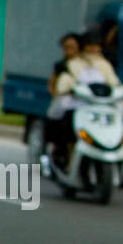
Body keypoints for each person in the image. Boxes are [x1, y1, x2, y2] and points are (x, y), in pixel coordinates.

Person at [50, 30, 123, 169]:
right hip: (78, 106)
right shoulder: (74, 63)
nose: (93, 49)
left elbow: (114, 82)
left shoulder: (104, 64)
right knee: (68, 126)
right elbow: (65, 82)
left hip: (100, 108)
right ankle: (66, 156)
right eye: (90, 45)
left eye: (96, 46)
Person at [44, 32, 82, 165]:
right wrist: (59, 95)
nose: (69, 50)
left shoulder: (84, 65)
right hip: (64, 104)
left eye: (72, 47)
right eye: (66, 47)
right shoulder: (61, 65)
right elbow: (52, 84)